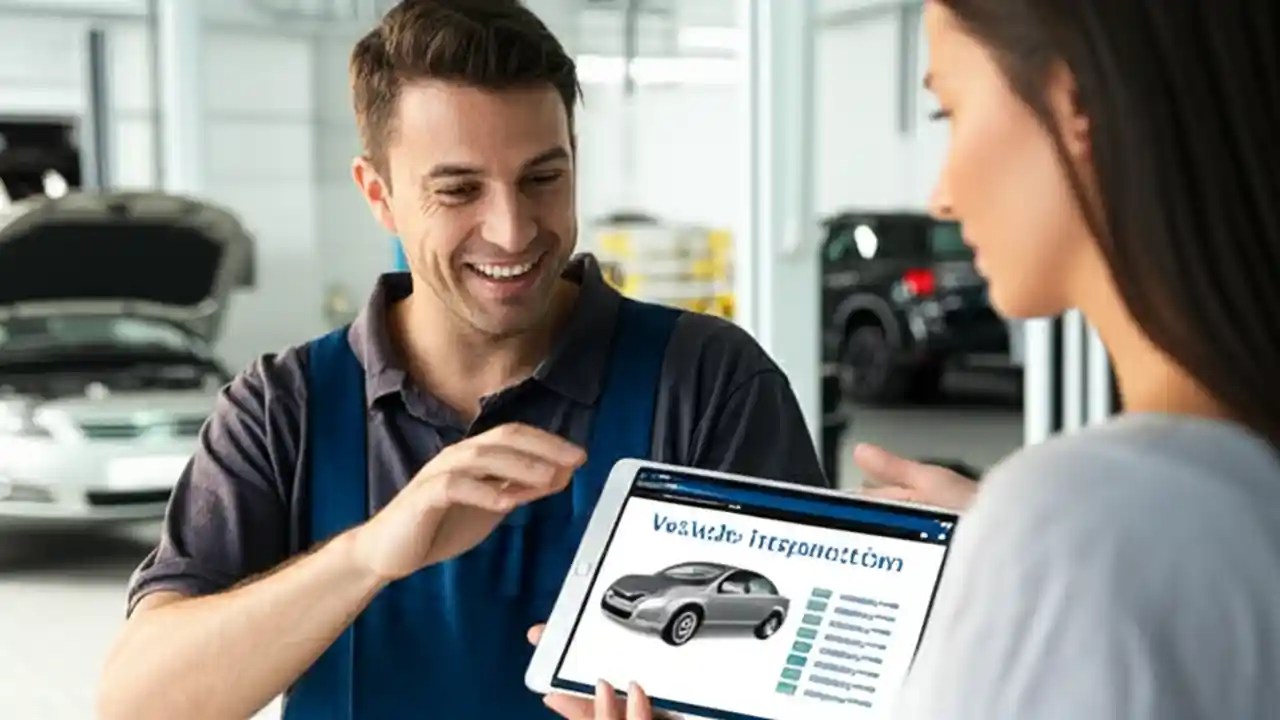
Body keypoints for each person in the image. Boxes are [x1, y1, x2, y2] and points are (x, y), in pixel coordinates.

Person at [535, 0, 1280, 717]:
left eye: (948, 112)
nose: (942, 196)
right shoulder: (1211, 492)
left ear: (1073, 103)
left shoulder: (1078, 523)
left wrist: (1035, 556)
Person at [94, 2, 828, 718]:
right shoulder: (284, 410)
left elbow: (805, 677)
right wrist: (366, 556)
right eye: (458, 189)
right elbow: (138, 706)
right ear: (379, 194)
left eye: (542, 179)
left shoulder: (709, 384)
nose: (512, 231)